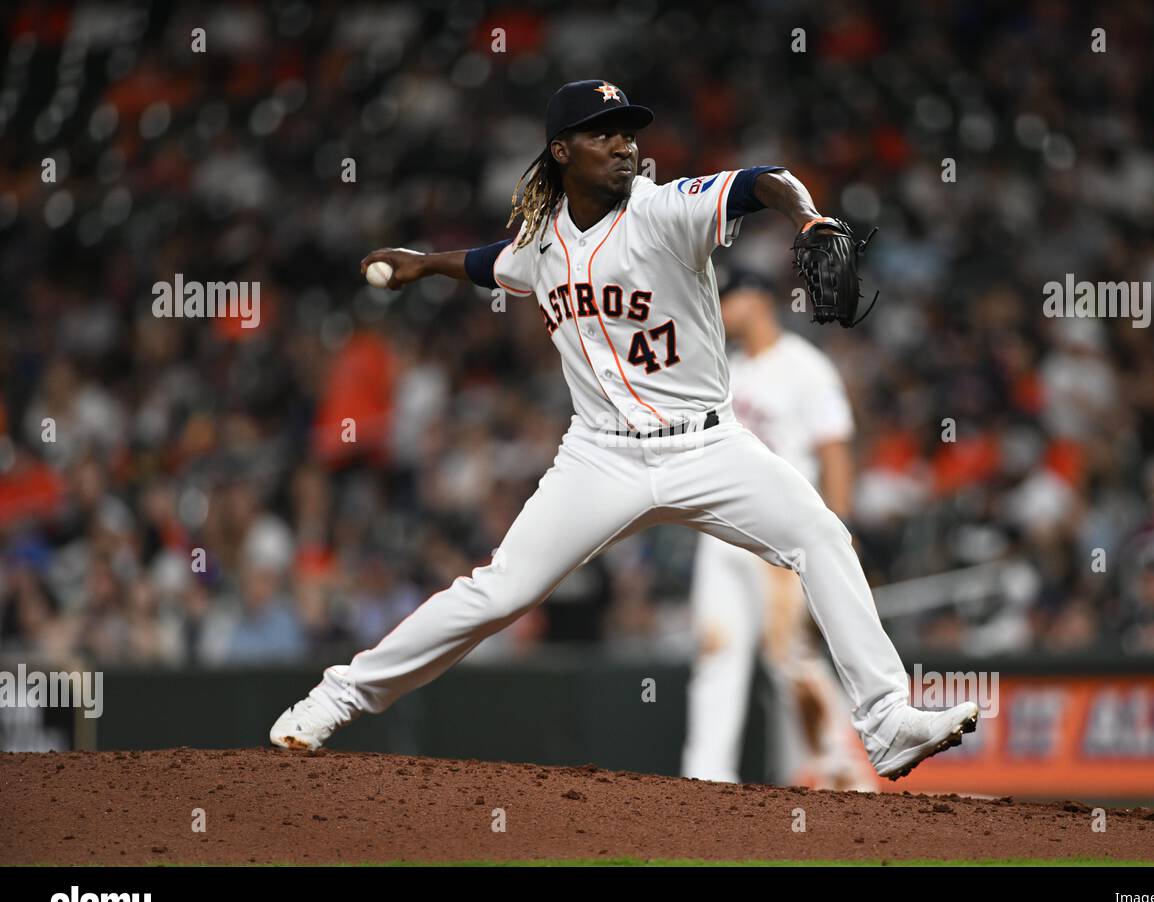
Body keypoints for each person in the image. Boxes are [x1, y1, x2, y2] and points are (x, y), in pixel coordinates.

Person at [269, 79, 977, 781]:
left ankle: (885, 721)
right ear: (561, 151)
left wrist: (809, 218)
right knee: (499, 592)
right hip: (599, 457)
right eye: (603, 132)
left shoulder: (666, 209)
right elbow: (491, 264)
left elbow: (765, 181)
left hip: (708, 445)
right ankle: (336, 699)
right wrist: (422, 265)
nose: (623, 144)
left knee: (820, 535)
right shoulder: (541, 244)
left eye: (627, 131)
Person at [681, 272, 876, 790]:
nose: (720, 306)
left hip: (780, 534)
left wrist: (841, 528)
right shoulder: (726, 370)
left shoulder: (805, 367)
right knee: (716, 652)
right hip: (720, 533)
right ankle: (706, 779)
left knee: (790, 656)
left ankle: (842, 772)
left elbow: (834, 447)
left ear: (756, 299)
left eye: (728, 295)